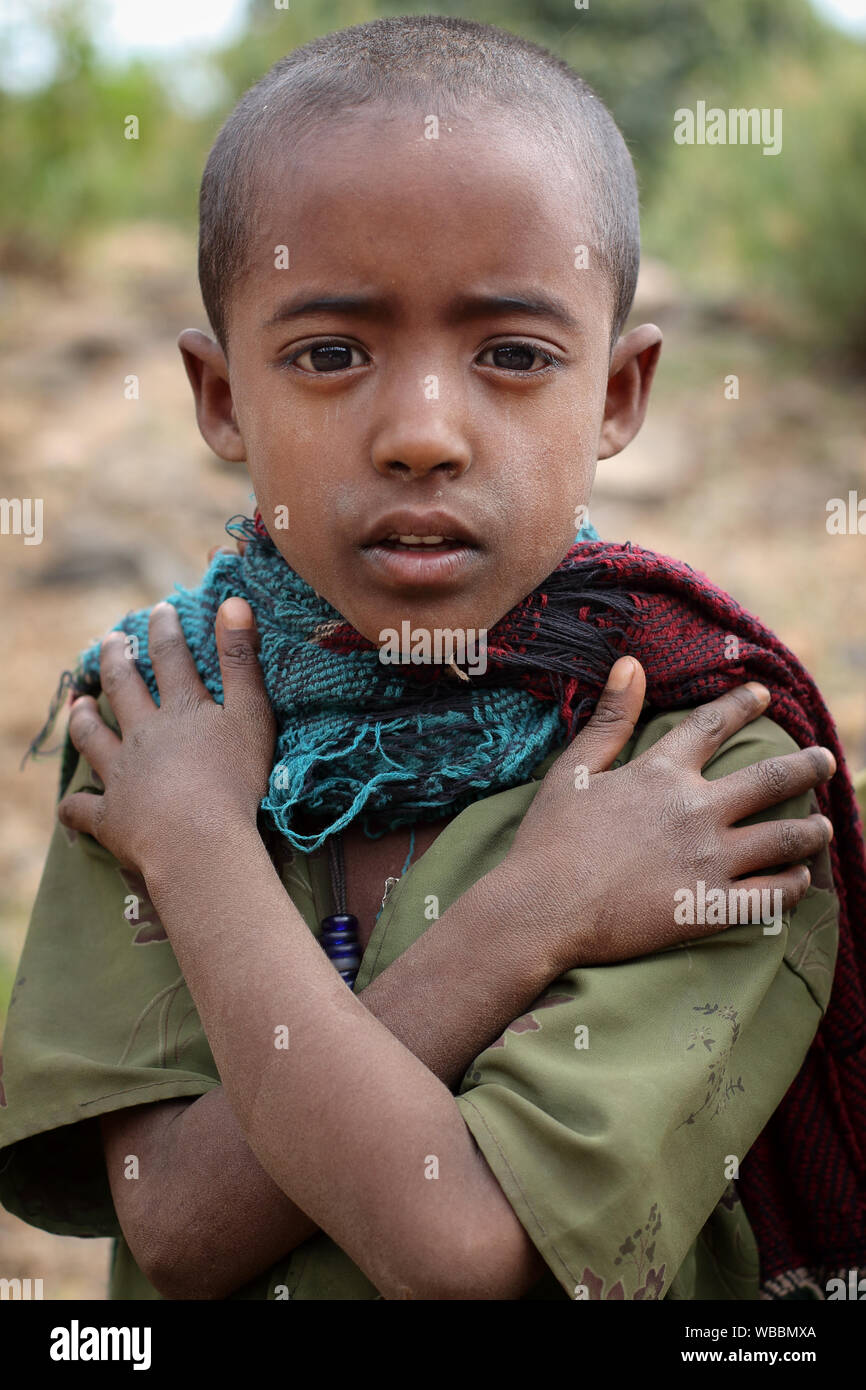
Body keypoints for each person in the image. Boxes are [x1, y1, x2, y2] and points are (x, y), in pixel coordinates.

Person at [1, 16, 863, 1302]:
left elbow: (458, 1253)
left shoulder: (699, 770)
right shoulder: (161, 723)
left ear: (619, 395)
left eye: (512, 356)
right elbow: (175, 1226)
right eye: (330, 352)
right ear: (221, 394)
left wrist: (197, 856)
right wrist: (534, 918)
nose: (419, 434)